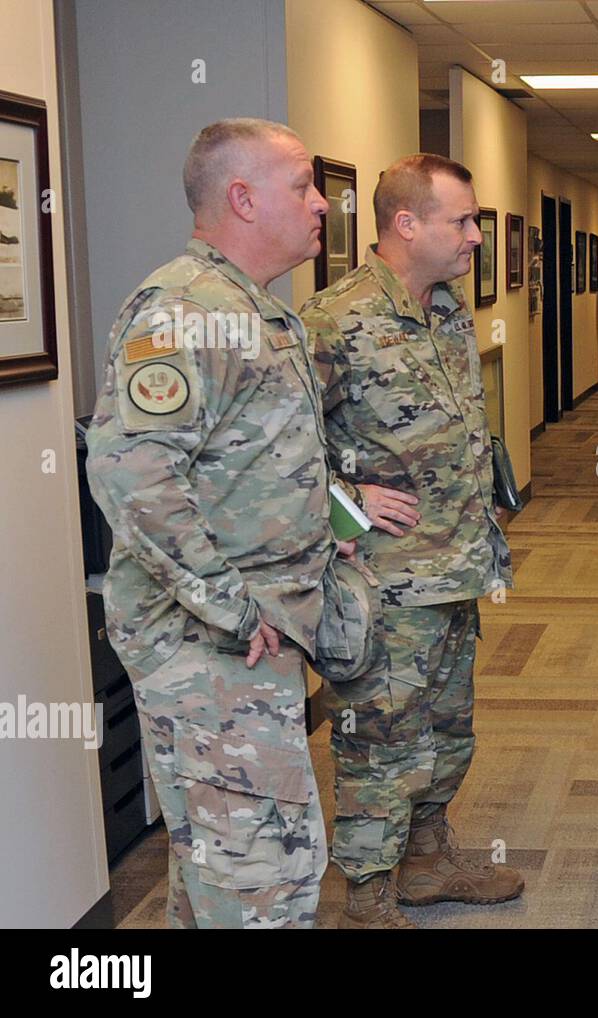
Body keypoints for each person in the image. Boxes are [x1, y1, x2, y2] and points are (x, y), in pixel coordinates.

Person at [86, 118, 338, 928]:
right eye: (302, 185)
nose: (322, 203)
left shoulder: (249, 308)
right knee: (264, 874)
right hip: (208, 645)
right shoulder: (184, 309)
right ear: (242, 197)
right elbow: (131, 472)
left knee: (220, 866)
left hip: (246, 639)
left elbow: (255, 464)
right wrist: (233, 606)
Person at [301, 154, 520, 929]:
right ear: (406, 223)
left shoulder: (449, 310)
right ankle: (369, 895)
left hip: (456, 565)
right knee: (379, 738)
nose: (474, 236)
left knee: (449, 725)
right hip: (385, 582)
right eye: (461, 221)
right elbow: (279, 452)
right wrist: (347, 505)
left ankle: (428, 860)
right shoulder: (335, 320)